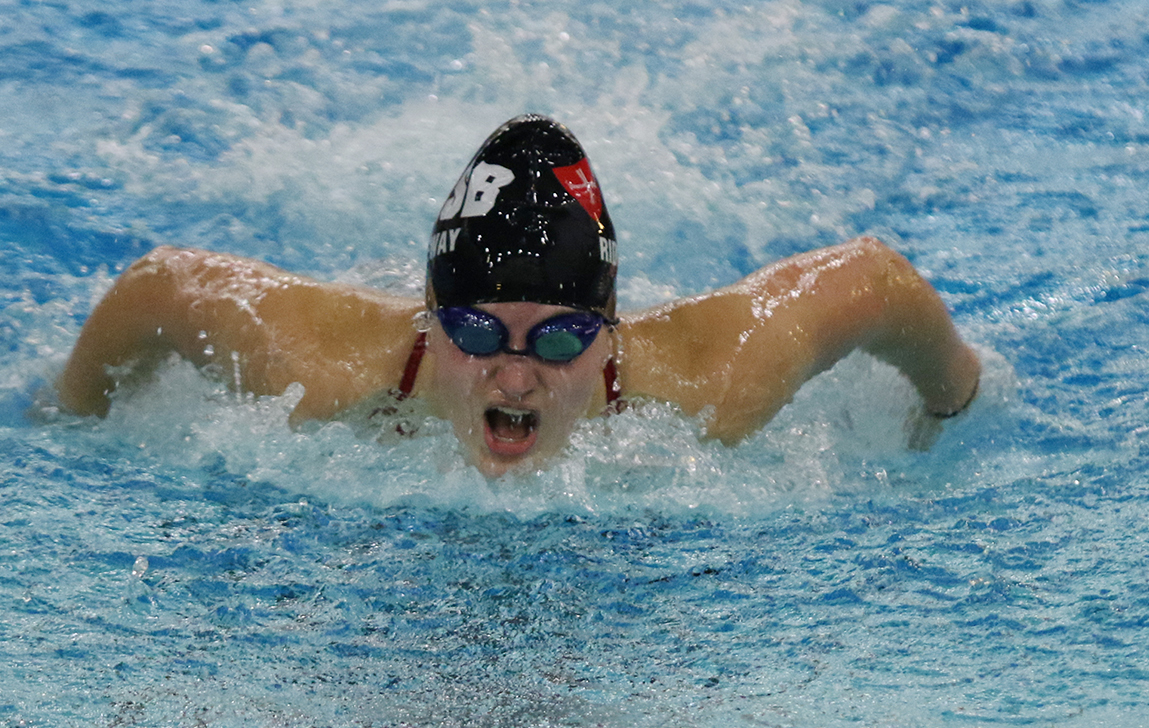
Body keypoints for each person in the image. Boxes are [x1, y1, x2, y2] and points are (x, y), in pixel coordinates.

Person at [57, 114, 981, 476]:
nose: (514, 376)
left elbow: (873, 279)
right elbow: (159, 286)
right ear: (430, 316)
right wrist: (69, 420)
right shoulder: (320, 366)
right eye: (475, 328)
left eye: (559, 338)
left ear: (611, 332)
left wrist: (953, 402)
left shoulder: (714, 378)